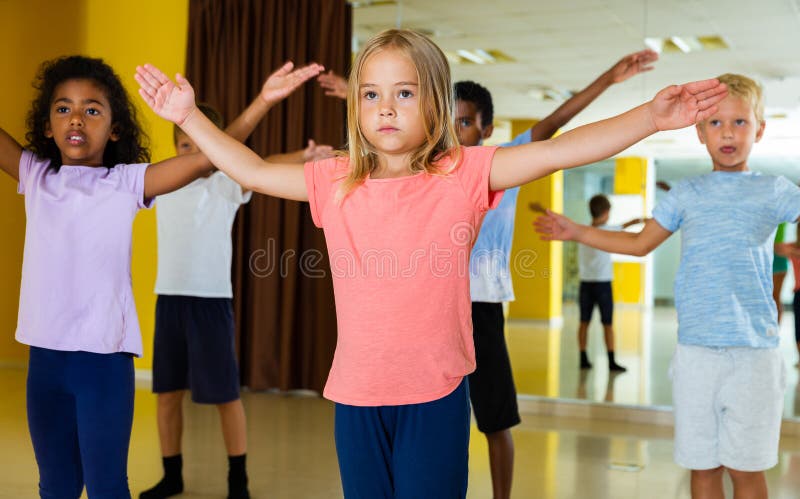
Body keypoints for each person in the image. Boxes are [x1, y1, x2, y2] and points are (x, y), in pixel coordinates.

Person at [136, 28, 725, 498]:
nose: (385, 108)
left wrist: (649, 117)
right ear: (357, 107)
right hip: (356, 395)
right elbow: (253, 171)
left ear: (435, 103)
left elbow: (557, 150)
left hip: (435, 394)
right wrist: (188, 117)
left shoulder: (464, 172)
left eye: (404, 92)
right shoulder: (335, 178)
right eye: (371, 93)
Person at [0, 55, 317, 498]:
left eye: (92, 109)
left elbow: (209, 159)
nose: (76, 117)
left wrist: (262, 101)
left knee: (108, 485)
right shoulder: (36, 176)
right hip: (45, 363)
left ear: (114, 129)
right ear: (48, 125)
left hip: (102, 364)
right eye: (63, 107)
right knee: (56, 485)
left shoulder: (127, 182)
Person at [534, 73, 796, 499]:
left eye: (740, 123)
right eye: (715, 123)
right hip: (695, 353)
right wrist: (577, 231)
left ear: (760, 129)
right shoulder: (686, 194)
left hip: (754, 355)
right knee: (703, 468)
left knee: (747, 471)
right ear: (699, 131)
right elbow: (639, 243)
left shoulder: (775, 191)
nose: (727, 133)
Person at [451, 48, 656, 499]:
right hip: (434, 305)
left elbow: (556, 121)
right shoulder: (432, 168)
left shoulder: (504, 162)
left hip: (481, 306)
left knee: (496, 417)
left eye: (465, 122)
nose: (455, 130)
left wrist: (608, 77)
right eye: (449, 121)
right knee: (438, 416)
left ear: (486, 129)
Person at [141, 62, 330, 499]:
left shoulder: (226, 183)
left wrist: (302, 158)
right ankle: (172, 475)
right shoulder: (160, 182)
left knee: (226, 396)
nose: (193, 153)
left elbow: (258, 165)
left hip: (211, 303)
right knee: (167, 394)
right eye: (184, 143)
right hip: (169, 299)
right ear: (174, 145)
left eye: (201, 144)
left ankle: (237, 479)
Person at [577, 194, 645, 372]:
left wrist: (635, 221)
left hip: (586, 284)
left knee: (584, 322)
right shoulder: (608, 230)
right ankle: (611, 361)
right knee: (608, 324)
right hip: (602, 284)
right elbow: (625, 227)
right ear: (606, 212)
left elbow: (623, 225)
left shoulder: (582, 230)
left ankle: (582, 359)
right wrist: (643, 221)